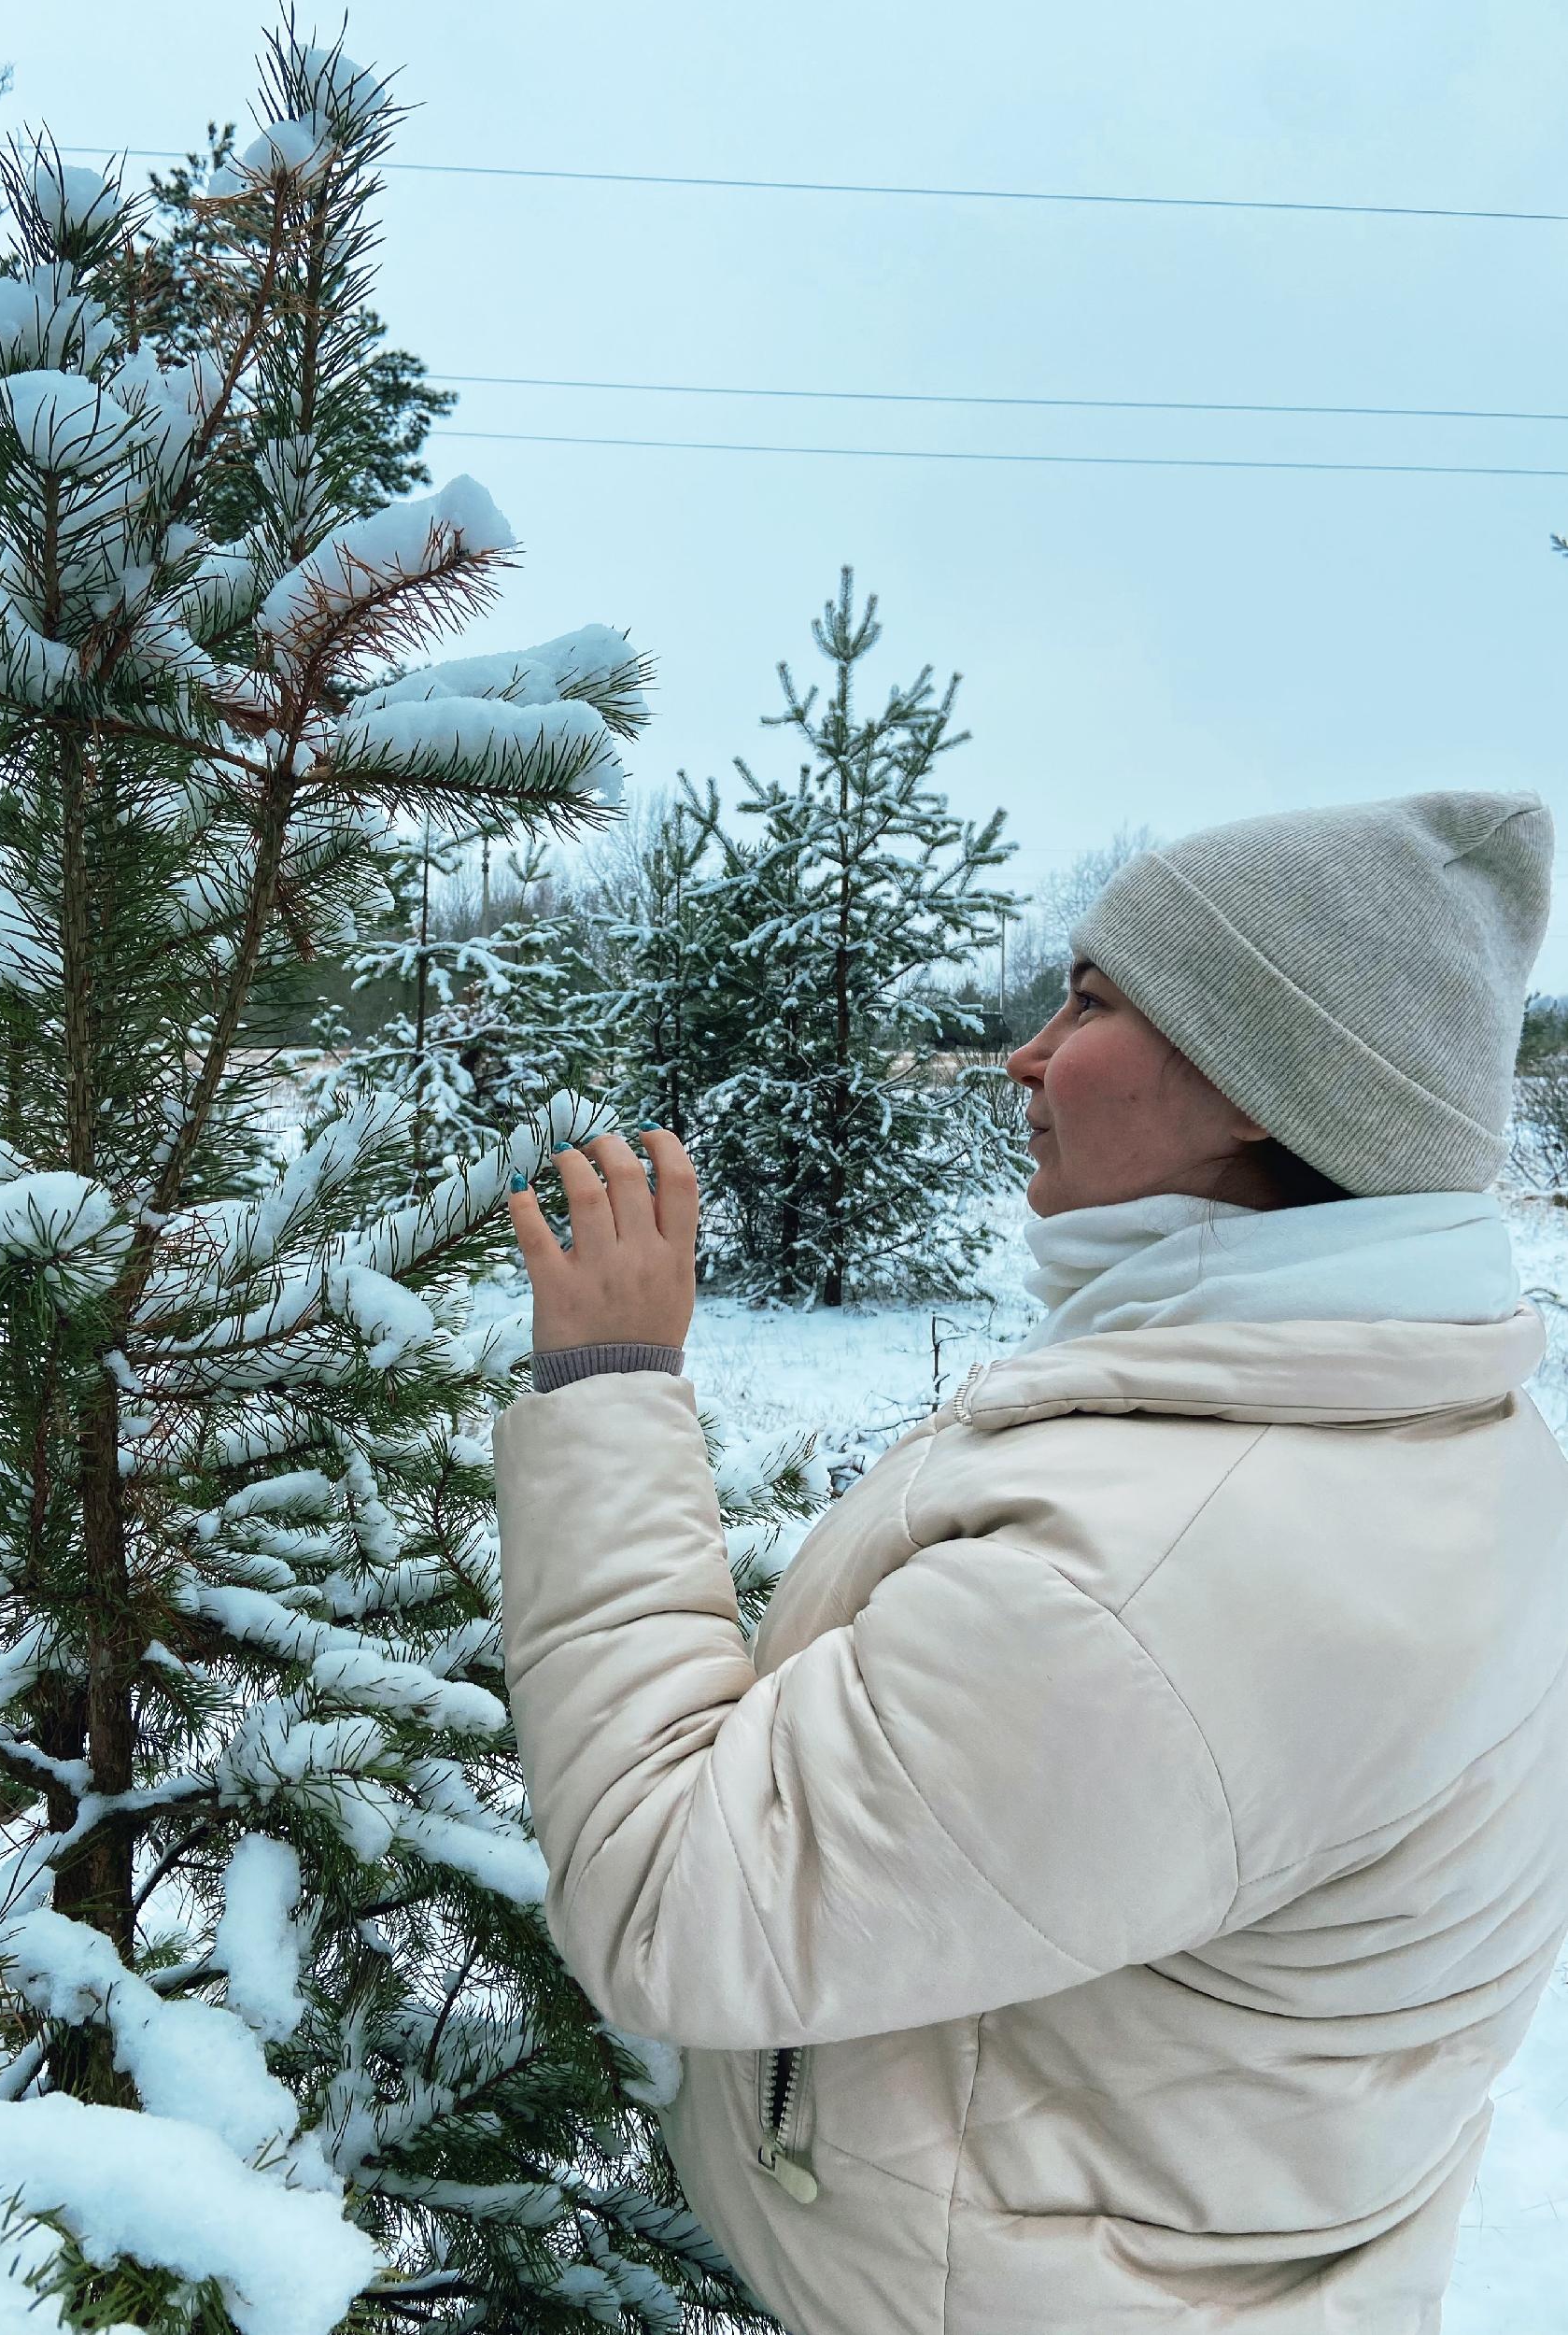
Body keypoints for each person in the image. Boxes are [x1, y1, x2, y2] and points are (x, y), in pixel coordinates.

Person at [493, 787, 1568, 2334]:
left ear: (1271, 1082)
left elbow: (678, 1900)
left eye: (1091, 1002)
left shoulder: (1183, 1574)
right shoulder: (1406, 1425)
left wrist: (609, 1386)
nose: (1026, 1054)